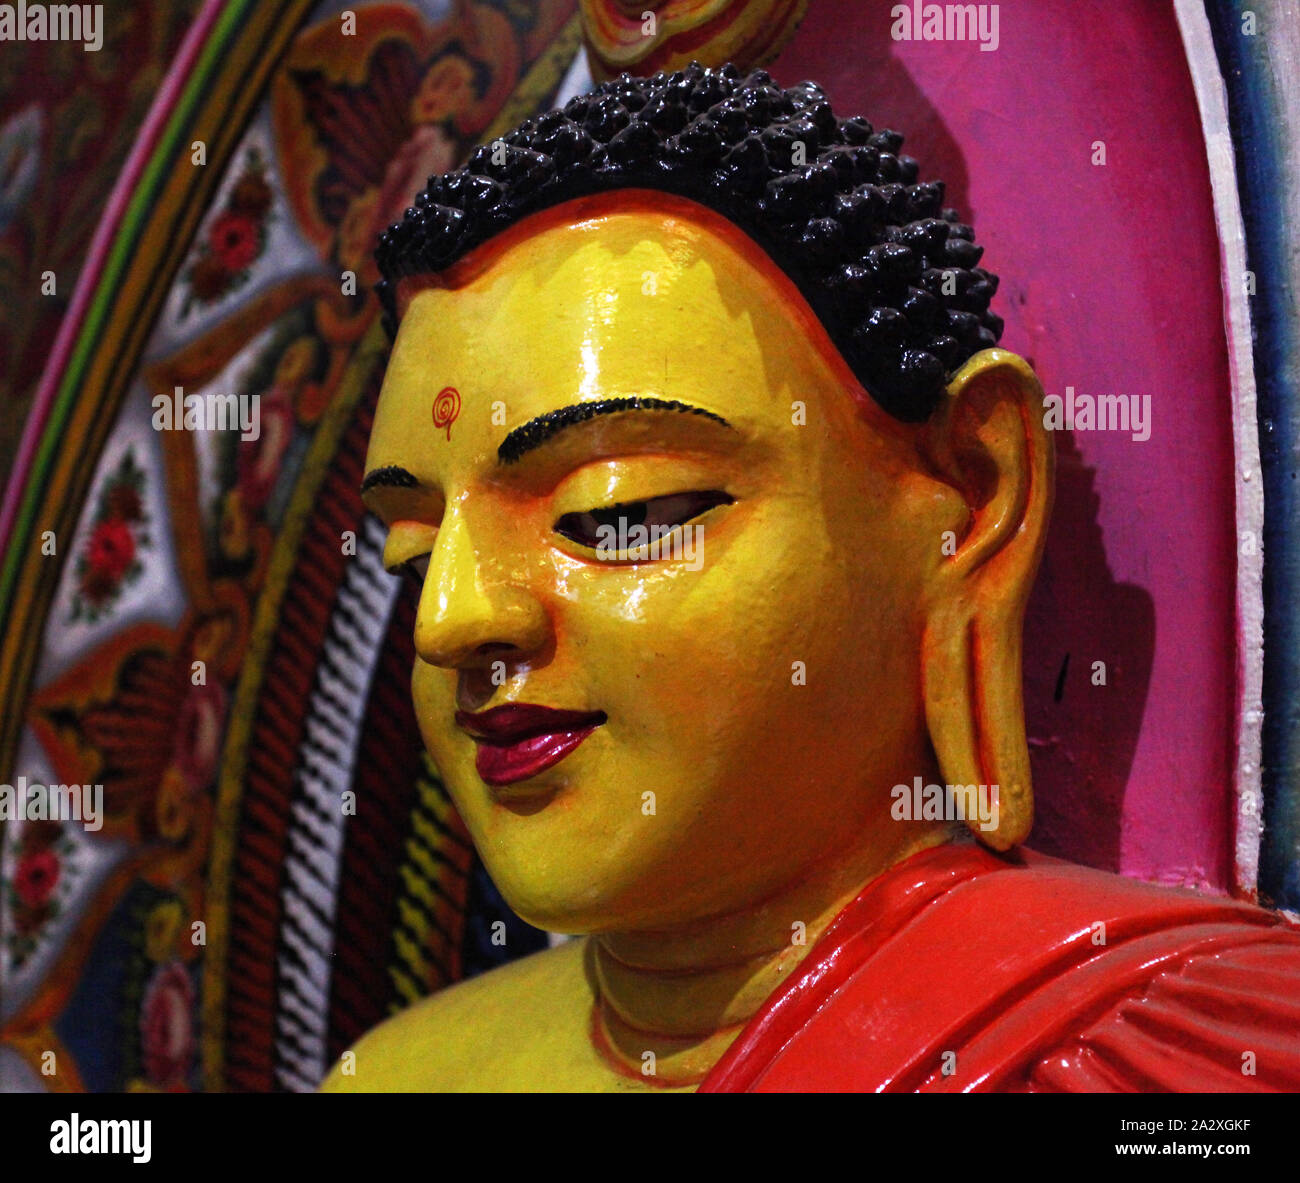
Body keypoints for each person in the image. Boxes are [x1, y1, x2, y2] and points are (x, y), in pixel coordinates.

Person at [323, 63, 1300, 1092]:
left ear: (973, 494)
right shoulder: (395, 1078)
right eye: (418, 553)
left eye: (613, 512)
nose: (451, 617)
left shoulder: (1178, 1051)